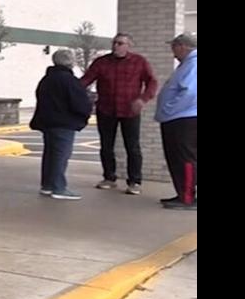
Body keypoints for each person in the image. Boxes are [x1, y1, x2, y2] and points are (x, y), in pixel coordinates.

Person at [79, 33, 158, 195]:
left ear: (129, 46)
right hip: (106, 109)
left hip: (130, 110)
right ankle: (109, 178)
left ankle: (135, 181)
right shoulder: (101, 62)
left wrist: (143, 99)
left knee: (133, 147)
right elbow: (85, 81)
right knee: (106, 146)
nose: (116, 46)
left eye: (120, 43)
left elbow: (152, 81)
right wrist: (69, 88)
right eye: (114, 43)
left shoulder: (139, 62)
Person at [30, 49, 93, 200]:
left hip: (47, 122)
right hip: (64, 123)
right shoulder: (69, 81)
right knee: (60, 156)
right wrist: (85, 113)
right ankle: (58, 187)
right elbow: (80, 103)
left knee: (50, 155)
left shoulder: (46, 79)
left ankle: (47, 185)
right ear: (71, 62)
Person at [155, 33, 197, 210]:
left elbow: (190, 93)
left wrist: (169, 109)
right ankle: (182, 192)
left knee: (184, 157)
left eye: (173, 47)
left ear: (182, 46)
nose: (172, 52)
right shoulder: (187, 64)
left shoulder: (194, 64)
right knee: (177, 157)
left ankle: (187, 198)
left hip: (183, 119)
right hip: (178, 118)